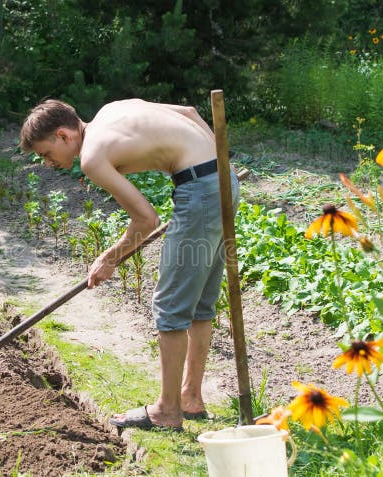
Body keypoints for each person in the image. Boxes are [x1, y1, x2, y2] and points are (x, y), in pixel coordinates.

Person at [19, 98, 240, 431]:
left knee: (170, 307)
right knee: (200, 306)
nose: (48, 164)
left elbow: (146, 220)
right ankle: (190, 399)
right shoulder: (109, 110)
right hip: (224, 180)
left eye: (46, 154)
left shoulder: (92, 156)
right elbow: (191, 113)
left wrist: (109, 259)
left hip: (200, 193)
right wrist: (217, 168)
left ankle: (167, 411)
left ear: (63, 136)